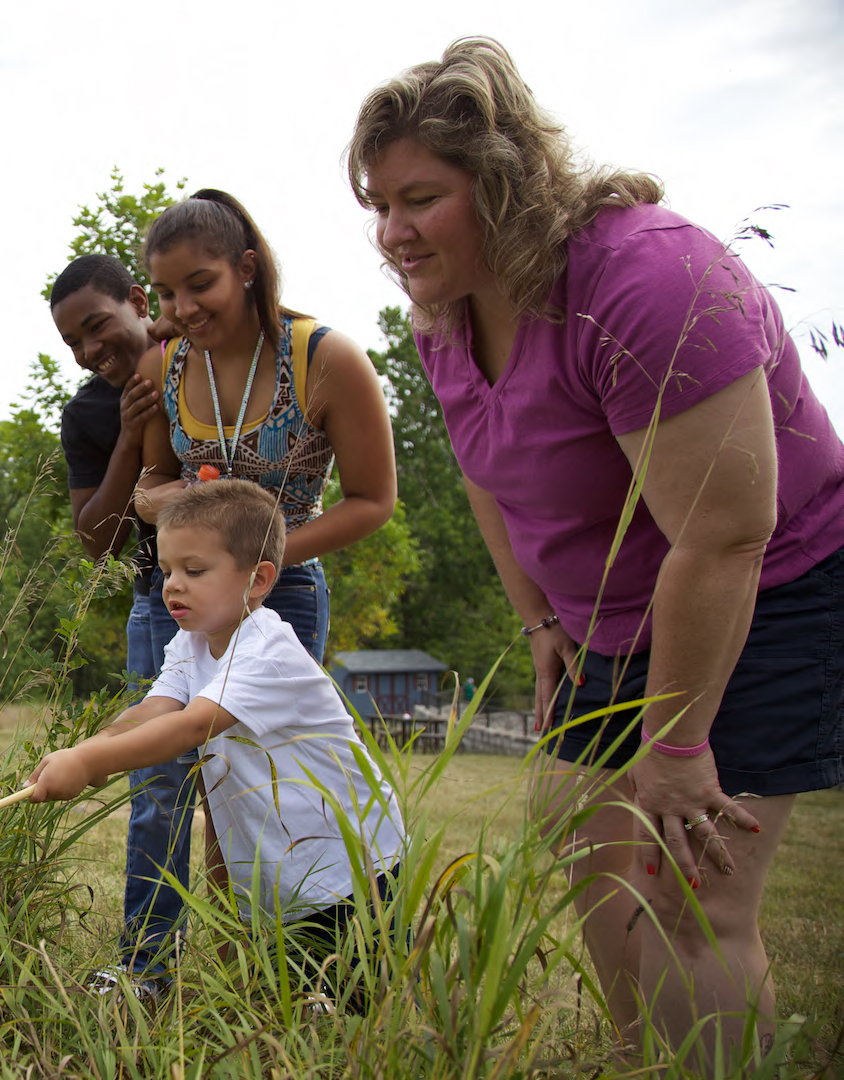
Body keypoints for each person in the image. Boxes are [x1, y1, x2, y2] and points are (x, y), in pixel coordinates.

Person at [348, 37, 844, 1066]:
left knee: (689, 897)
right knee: (592, 860)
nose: (392, 232)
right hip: (603, 618)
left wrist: (676, 745)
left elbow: (726, 531)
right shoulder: (445, 314)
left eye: (419, 199)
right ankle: (640, 1061)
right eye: (378, 205)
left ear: (503, 179)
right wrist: (539, 620)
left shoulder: (645, 281)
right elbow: (489, 473)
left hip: (766, 590)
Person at [25, 479, 405, 1000]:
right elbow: (155, 709)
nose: (172, 585)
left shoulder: (267, 649)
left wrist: (91, 764)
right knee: (283, 1008)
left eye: (194, 571)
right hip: (285, 873)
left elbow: (189, 726)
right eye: (166, 571)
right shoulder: (193, 641)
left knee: (357, 1010)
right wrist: (84, 751)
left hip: (354, 870)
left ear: (257, 580)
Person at [131, 189, 397, 662]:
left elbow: (373, 500)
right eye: (167, 294)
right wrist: (150, 502)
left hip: (284, 585)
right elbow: (151, 481)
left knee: (264, 738)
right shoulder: (163, 366)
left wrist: (260, 562)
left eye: (201, 284)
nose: (184, 308)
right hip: (179, 592)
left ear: (247, 269)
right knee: (174, 733)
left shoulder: (325, 359)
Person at [49, 254, 192, 1000]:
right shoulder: (89, 414)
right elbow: (97, 539)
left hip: (262, 595)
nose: (88, 350)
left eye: (98, 326)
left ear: (140, 302)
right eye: (72, 341)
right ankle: (148, 969)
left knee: (260, 782)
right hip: (158, 607)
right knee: (159, 788)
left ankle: (274, 957)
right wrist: (132, 441)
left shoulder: (204, 355)